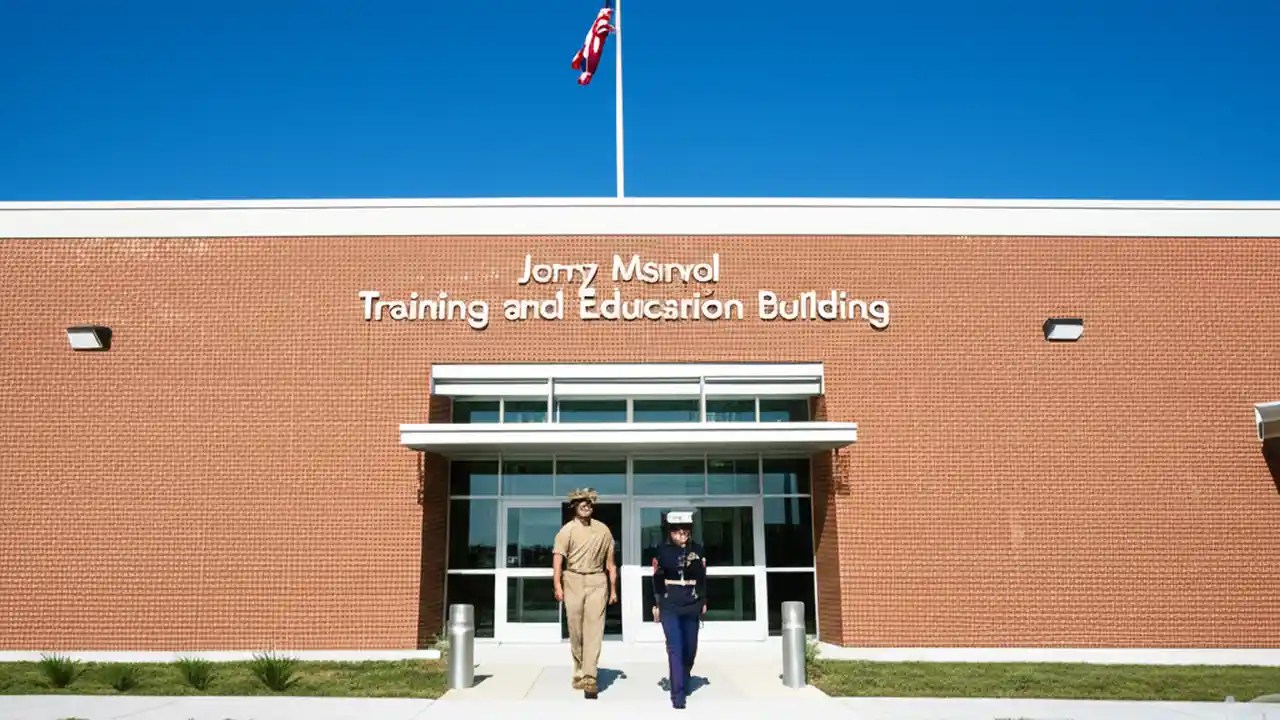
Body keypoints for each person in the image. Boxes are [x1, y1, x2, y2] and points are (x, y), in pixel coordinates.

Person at [552, 487, 618, 698]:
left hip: (597, 580)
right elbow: (558, 560)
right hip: (573, 579)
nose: (586, 505)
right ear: (574, 506)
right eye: (582, 502)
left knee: (594, 628)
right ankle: (579, 667)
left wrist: (613, 589)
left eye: (589, 502)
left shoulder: (603, 530)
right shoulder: (566, 530)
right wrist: (557, 585)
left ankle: (590, 675)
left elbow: (611, 564)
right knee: (575, 627)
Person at [651, 509, 707, 709]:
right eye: (677, 530)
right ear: (670, 532)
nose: (682, 534)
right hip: (670, 602)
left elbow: (702, 578)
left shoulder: (698, 549)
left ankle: (684, 675)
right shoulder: (662, 551)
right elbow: (657, 579)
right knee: (675, 647)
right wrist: (657, 604)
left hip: (691, 602)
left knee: (690, 649)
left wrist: (703, 600)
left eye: (685, 530)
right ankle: (678, 695)